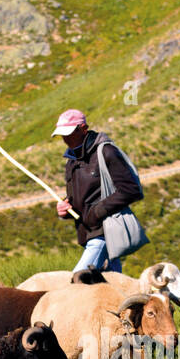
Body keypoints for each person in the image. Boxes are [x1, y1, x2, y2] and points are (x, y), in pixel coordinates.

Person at [52, 109, 143, 274]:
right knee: (111, 284)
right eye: (62, 135)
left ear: (83, 129)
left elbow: (131, 190)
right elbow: (78, 198)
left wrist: (97, 212)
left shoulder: (106, 152)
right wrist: (64, 209)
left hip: (104, 232)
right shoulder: (71, 162)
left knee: (78, 280)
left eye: (69, 133)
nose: (65, 138)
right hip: (87, 234)